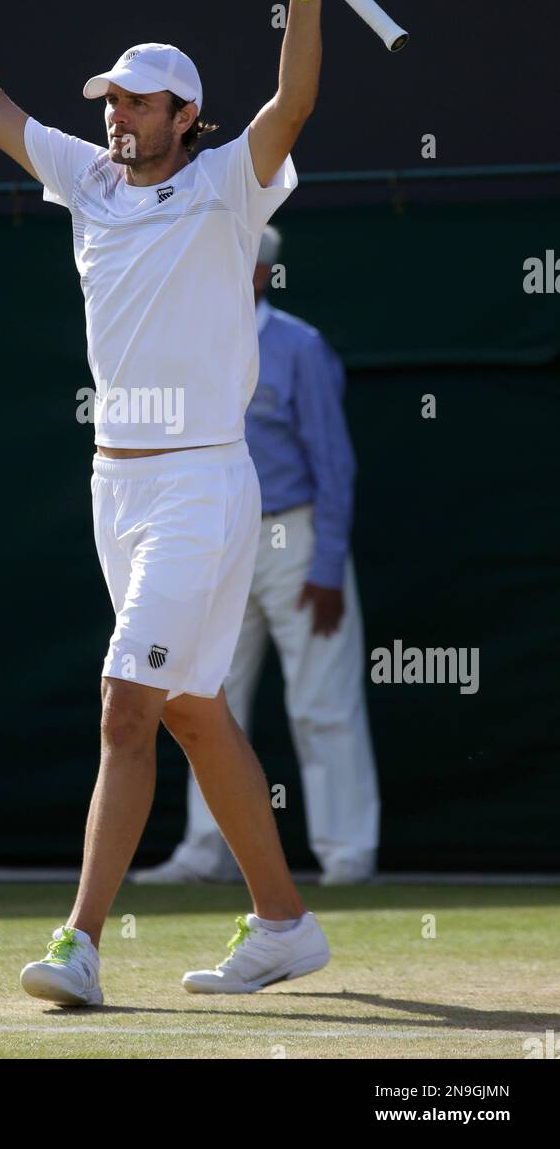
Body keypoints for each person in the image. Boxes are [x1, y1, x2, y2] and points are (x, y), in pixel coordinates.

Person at [0, 0, 332, 1006]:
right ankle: (284, 923)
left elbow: (295, 102)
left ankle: (79, 942)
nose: (115, 113)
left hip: (202, 486)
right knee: (192, 708)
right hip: (112, 487)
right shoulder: (87, 180)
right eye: (110, 99)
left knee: (127, 698)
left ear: (187, 114)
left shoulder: (228, 185)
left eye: (136, 100)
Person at [133, 224, 380, 889]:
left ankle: (347, 855)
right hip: (211, 539)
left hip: (293, 541)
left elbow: (333, 464)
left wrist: (326, 566)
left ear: (259, 275)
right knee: (200, 695)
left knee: (320, 700)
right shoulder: (183, 342)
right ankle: (204, 851)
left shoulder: (299, 347)